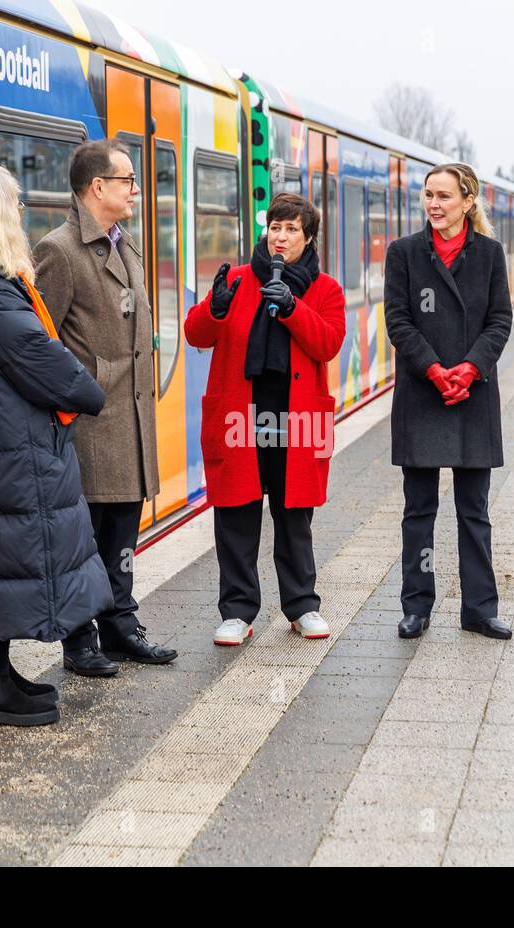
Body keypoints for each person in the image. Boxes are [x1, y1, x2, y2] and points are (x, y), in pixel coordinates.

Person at [0, 164, 111, 726]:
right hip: (12, 451)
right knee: (7, 554)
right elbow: (53, 369)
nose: (19, 216)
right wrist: (90, 390)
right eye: (12, 207)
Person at [34, 139, 176, 676]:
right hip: (90, 423)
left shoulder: (127, 244)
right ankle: (79, 639)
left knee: (121, 531)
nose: (136, 190)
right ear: (98, 187)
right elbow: (39, 341)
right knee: (85, 538)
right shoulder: (60, 250)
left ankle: (120, 624)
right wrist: (83, 385)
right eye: (127, 181)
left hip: (130, 418)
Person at [185, 192, 345, 645]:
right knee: (236, 513)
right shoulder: (236, 280)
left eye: (292, 229)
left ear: (307, 237)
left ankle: (302, 606)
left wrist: (293, 309)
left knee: (294, 516)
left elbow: (328, 343)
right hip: (241, 414)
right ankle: (237, 611)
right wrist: (214, 308)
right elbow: (197, 334)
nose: (280, 236)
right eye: (275, 227)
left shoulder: (325, 289)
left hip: (298, 421)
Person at [384, 162, 514, 642]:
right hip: (422, 393)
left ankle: (479, 608)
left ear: (468, 201)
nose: (434, 205)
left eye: (443, 196)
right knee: (418, 510)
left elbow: (500, 320)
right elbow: (398, 320)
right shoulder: (404, 253)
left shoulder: (490, 255)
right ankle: (416, 606)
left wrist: (471, 367)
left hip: (473, 395)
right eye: (428, 196)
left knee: (474, 511)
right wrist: (435, 369)